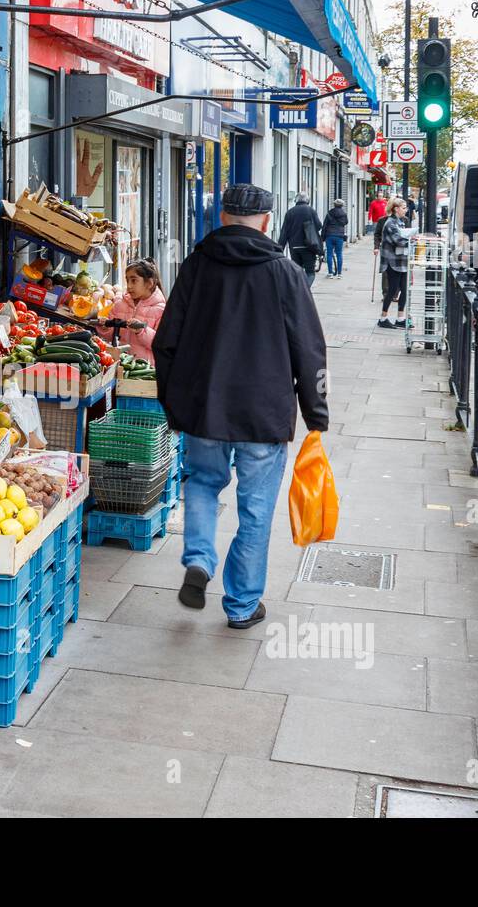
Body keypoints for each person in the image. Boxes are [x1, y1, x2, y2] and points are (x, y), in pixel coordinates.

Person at [153, 183, 329, 629]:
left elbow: (166, 342)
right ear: (267, 221)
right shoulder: (286, 274)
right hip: (263, 413)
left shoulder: (196, 267)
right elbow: (309, 349)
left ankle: (198, 558)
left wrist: (172, 402)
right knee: (255, 509)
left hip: (204, 407)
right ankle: (242, 605)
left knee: (203, 483)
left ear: (222, 218)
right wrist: (316, 413)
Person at [99, 258, 165, 363]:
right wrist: (104, 327)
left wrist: (142, 330)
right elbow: (110, 336)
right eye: (127, 280)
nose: (129, 286)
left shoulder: (160, 310)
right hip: (118, 365)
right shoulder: (119, 304)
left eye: (134, 280)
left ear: (149, 283)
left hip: (143, 370)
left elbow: (162, 343)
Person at [378, 196, 414, 329]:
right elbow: (399, 240)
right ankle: (383, 318)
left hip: (401, 260)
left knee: (404, 289)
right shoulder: (390, 223)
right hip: (392, 262)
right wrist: (413, 240)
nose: (406, 210)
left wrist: (411, 237)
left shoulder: (401, 222)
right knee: (392, 290)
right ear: (396, 209)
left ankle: (400, 318)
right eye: (404, 208)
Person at [277, 192, 323, 287]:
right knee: (310, 272)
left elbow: (284, 232)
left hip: (294, 247)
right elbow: (319, 226)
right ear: (307, 200)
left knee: (297, 271)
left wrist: (279, 249)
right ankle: (304, 291)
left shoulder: (290, 212)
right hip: (309, 247)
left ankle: (297, 290)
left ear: (296, 200)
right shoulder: (311, 210)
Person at [322, 198, 349, 278]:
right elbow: (346, 222)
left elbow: (325, 226)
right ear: (342, 205)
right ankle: (339, 274)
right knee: (339, 254)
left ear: (334, 205)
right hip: (339, 236)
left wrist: (322, 237)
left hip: (329, 235)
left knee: (329, 254)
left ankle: (330, 273)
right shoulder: (344, 214)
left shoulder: (329, 213)